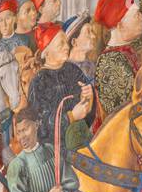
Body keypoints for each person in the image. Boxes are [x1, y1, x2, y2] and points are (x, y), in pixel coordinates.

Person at [27, 22, 95, 151]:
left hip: (81, 140)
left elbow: (88, 114)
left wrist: (88, 98)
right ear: (46, 53)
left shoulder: (73, 70)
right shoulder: (39, 81)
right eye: (61, 44)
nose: (66, 47)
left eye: (66, 42)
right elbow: (40, 126)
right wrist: (71, 116)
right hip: (55, 151)